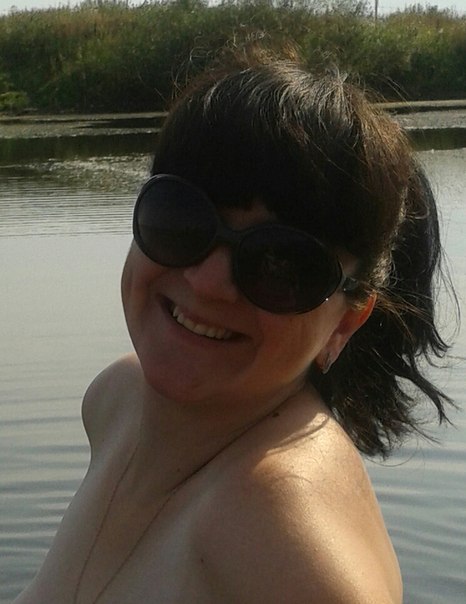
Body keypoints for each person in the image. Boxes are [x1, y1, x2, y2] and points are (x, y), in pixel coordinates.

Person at [14, 50, 455, 604]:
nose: (208, 283)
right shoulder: (116, 401)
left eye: (282, 264)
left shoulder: (285, 544)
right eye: (182, 217)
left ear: (346, 320)